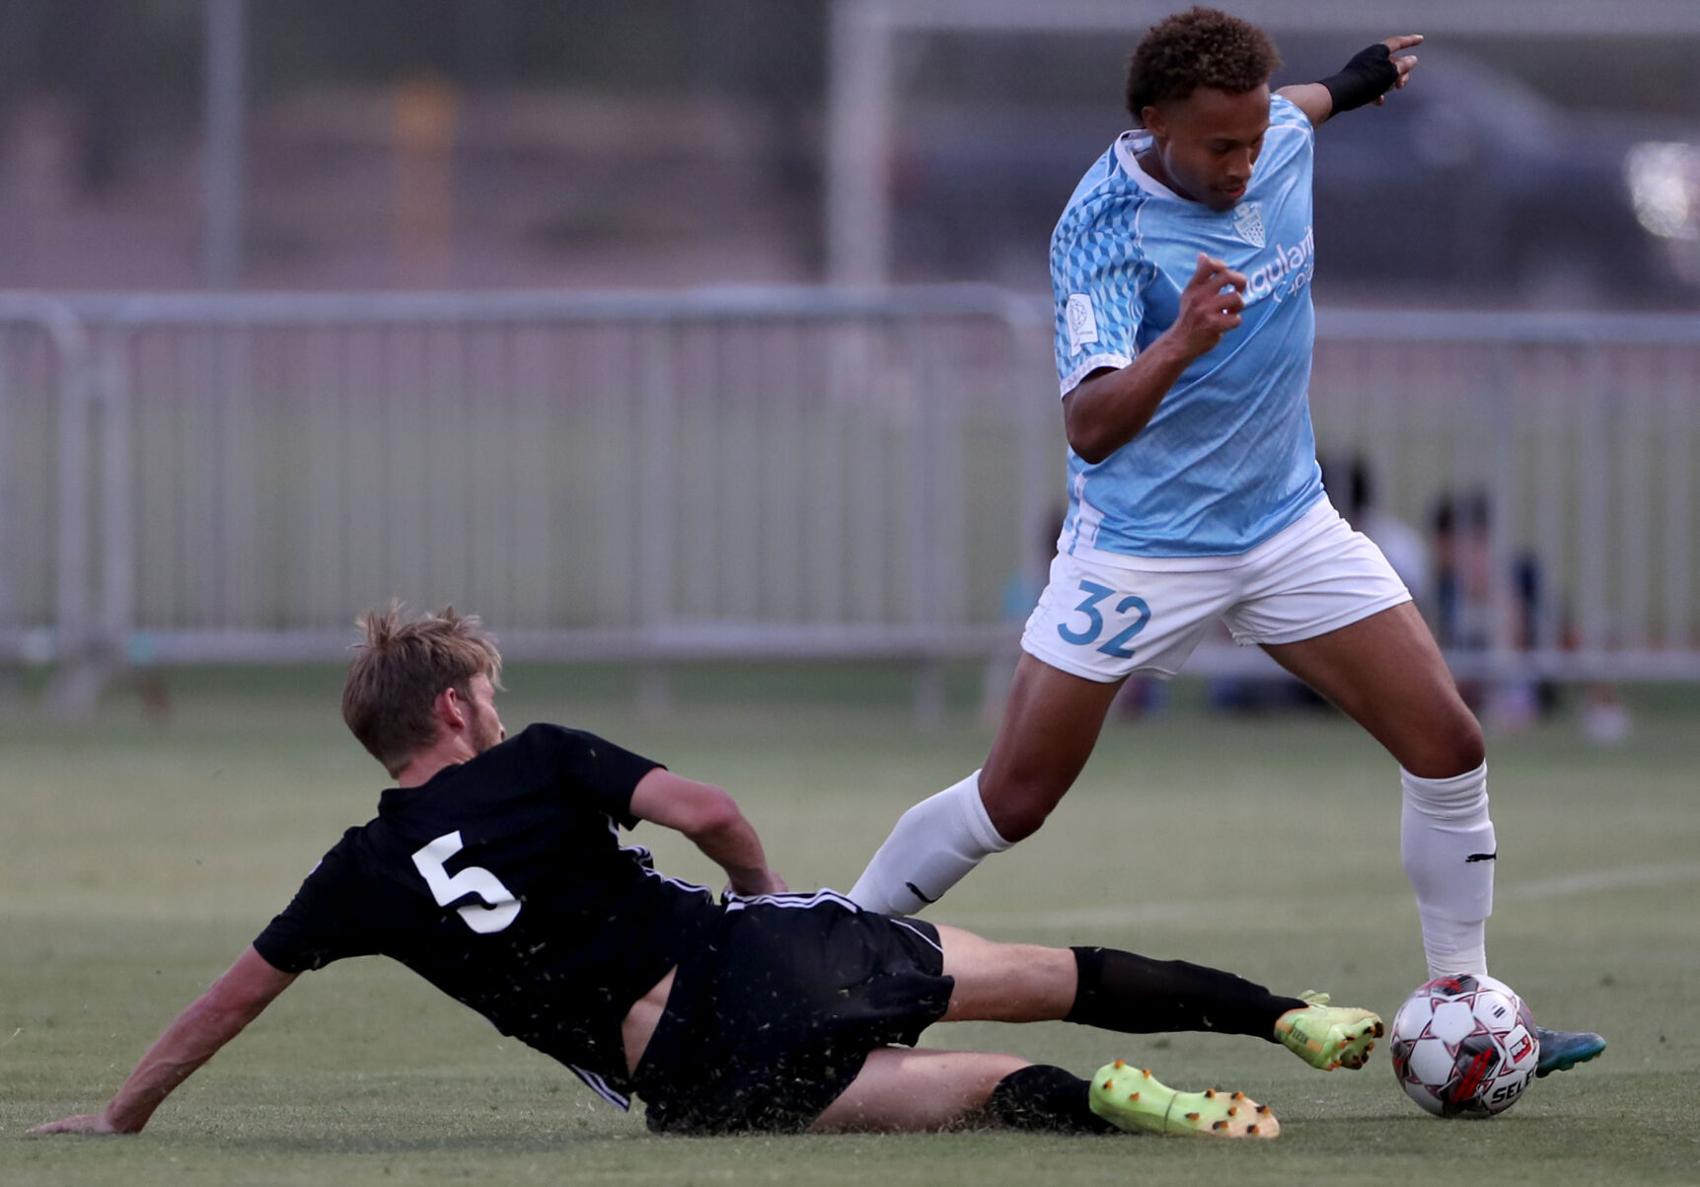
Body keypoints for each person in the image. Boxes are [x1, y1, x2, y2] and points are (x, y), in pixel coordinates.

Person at [846, 8, 1603, 1075]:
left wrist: (1351, 82)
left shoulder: (1271, 136)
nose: (1244, 162)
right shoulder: (1103, 227)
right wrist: (1182, 340)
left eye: (1252, 138)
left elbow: (1291, 111)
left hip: (1287, 525)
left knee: (1448, 745)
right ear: (1151, 122)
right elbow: (1091, 424)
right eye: (1218, 146)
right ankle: (818, 953)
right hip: (1141, 547)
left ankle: (1468, 1005)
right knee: (1012, 796)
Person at [32, 605, 1385, 1142]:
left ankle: (1123, 1106)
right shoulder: (544, 754)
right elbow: (713, 808)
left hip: (689, 1075)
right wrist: (763, 893)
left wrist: (124, 1114)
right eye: (486, 693)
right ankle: (1285, 1016)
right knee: (1052, 974)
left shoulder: (359, 871)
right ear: (451, 708)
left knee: (966, 1093)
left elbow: (234, 992)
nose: (498, 709)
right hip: (750, 954)